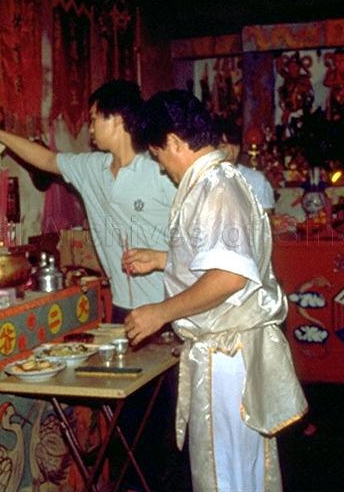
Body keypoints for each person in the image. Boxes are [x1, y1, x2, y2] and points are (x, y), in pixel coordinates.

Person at [123, 90, 308, 491]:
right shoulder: (211, 182)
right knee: (237, 468)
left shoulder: (217, 186)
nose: (162, 167)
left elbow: (229, 277)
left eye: (158, 156)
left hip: (227, 355)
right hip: (227, 351)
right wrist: (162, 259)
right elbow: (216, 258)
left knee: (226, 472)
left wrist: (161, 311)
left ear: (174, 141)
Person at [0, 80, 176, 321]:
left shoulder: (159, 171)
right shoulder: (91, 168)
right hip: (123, 307)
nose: (90, 129)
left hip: (168, 306)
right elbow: (47, 160)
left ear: (118, 119)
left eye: (94, 119)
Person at [214, 118, 276, 213]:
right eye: (224, 146)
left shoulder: (256, 180)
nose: (231, 152)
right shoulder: (205, 180)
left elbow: (267, 221)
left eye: (235, 145)